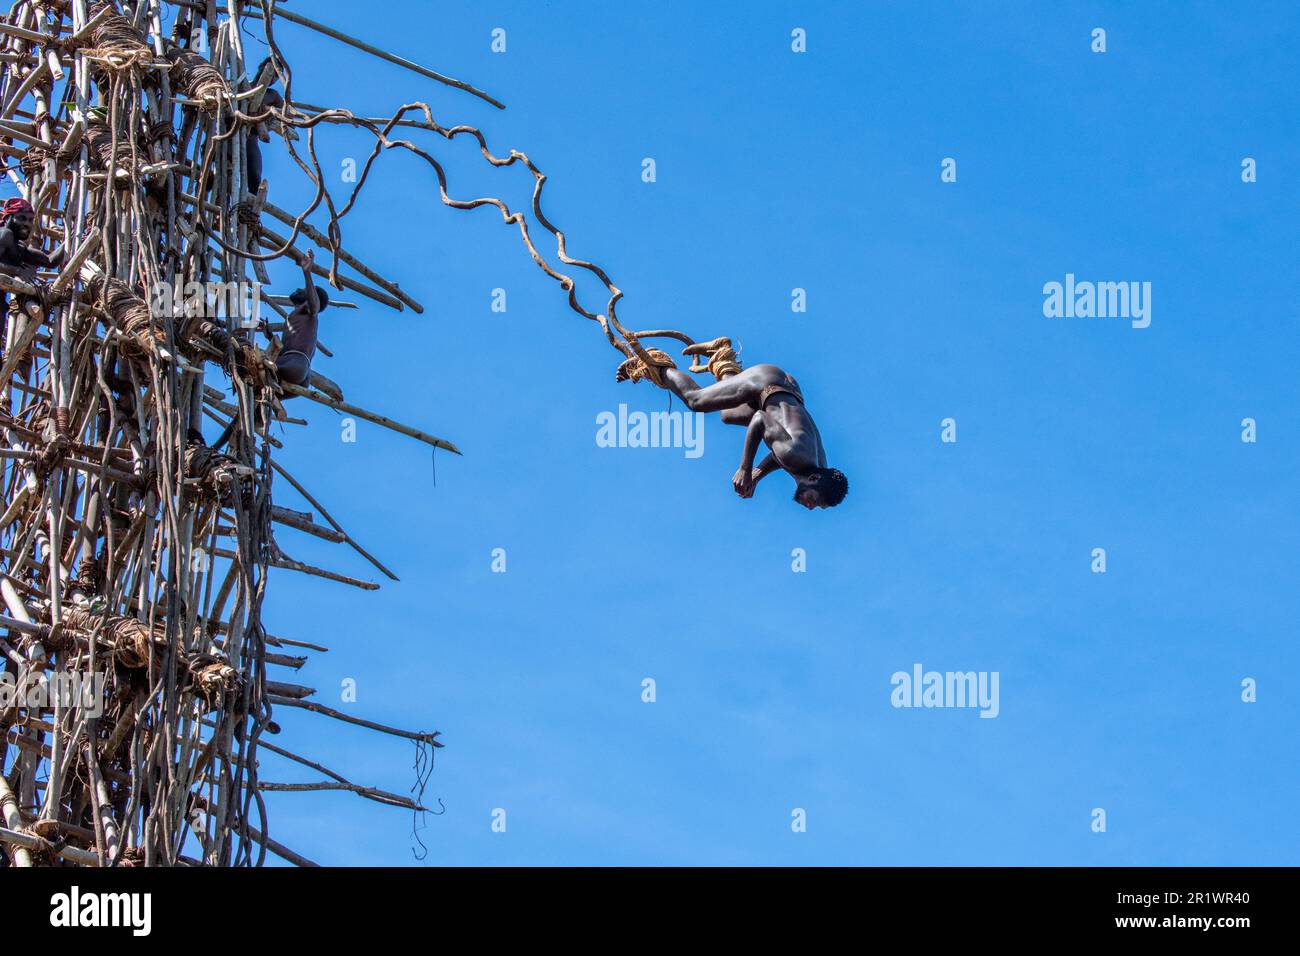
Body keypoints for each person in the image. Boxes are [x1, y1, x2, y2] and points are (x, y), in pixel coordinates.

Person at [618, 338, 848, 509]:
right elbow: (760, 420)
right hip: (766, 384)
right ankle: (652, 363)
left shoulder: (814, 464)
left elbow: (778, 447)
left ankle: (721, 355)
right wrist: (745, 469)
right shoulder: (798, 458)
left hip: (781, 392)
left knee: (728, 415)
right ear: (815, 479)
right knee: (696, 401)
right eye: (813, 500)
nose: (810, 506)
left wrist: (757, 474)